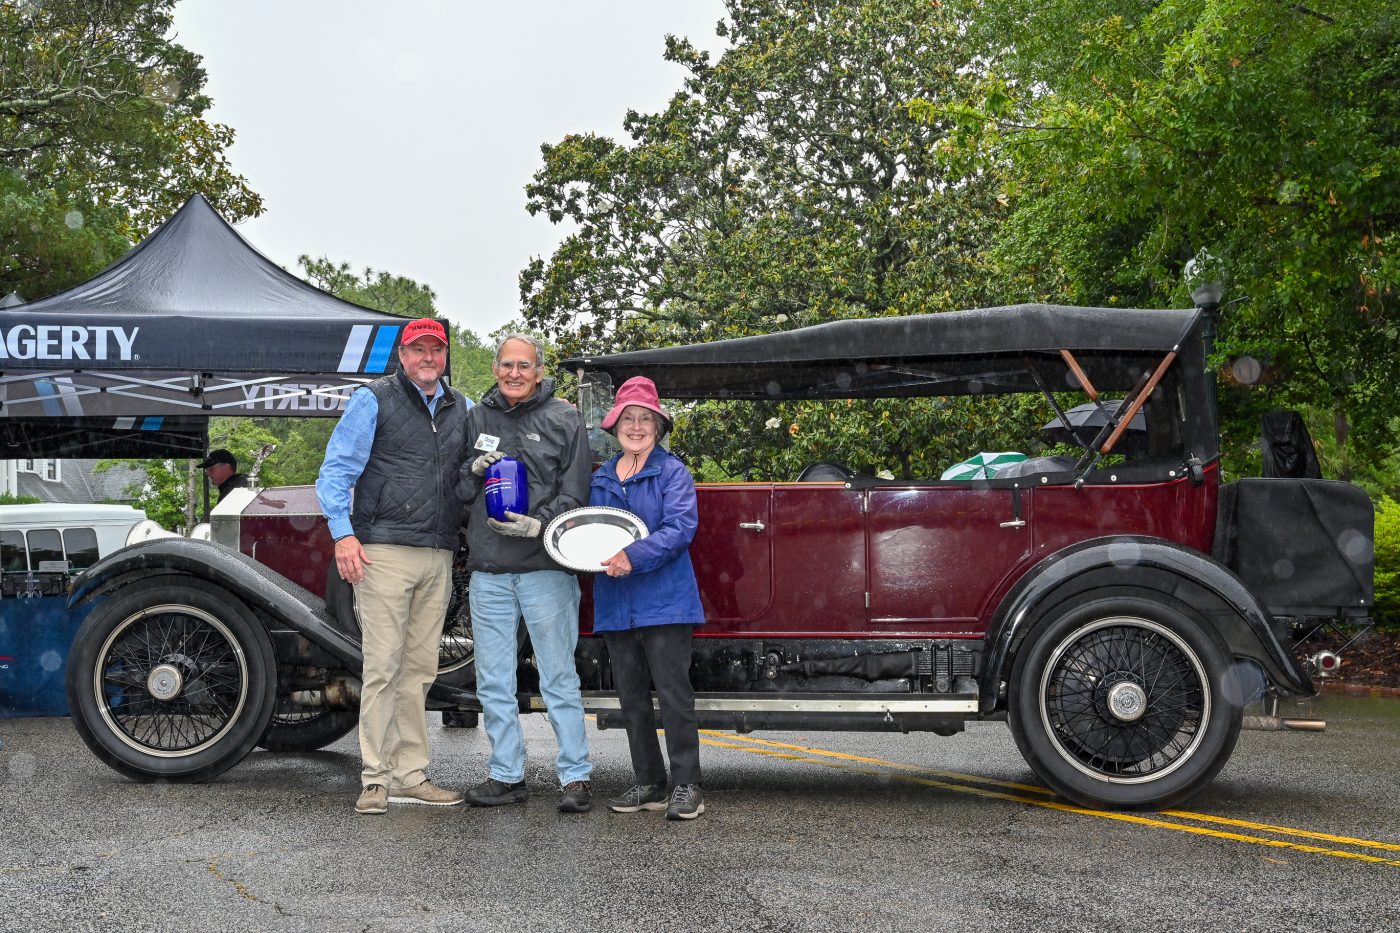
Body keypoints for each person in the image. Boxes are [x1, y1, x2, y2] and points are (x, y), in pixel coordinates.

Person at [315, 317, 471, 815]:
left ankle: (411, 774)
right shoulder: (373, 399)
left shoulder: (461, 407)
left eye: (436, 350)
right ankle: (375, 778)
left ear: (445, 356)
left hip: (439, 553)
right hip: (381, 551)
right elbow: (336, 470)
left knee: (421, 670)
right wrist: (343, 534)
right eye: (418, 349)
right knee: (383, 667)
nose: (428, 358)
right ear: (402, 356)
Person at [458, 333, 594, 812]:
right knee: (493, 679)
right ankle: (506, 775)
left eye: (525, 366)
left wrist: (540, 525)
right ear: (495, 369)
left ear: (539, 371)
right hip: (489, 571)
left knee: (558, 674)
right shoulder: (475, 418)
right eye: (507, 365)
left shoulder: (564, 418)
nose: (515, 373)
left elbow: (577, 493)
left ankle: (575, 778)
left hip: (544, 570)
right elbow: (457, 489)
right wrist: (473, 471)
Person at [588, 376, 707, 820]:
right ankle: (650, 782)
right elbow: (590, 532)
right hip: (617, 602)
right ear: (615, 425)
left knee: (675, 696)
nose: (636, 426)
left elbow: (680, 529)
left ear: (657, 427)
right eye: (628, 418)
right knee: (631, 697)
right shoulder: (600, 475)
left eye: (645, 419)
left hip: (666, 601)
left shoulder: (672, 472)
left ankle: (687, 784)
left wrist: (631, 557)